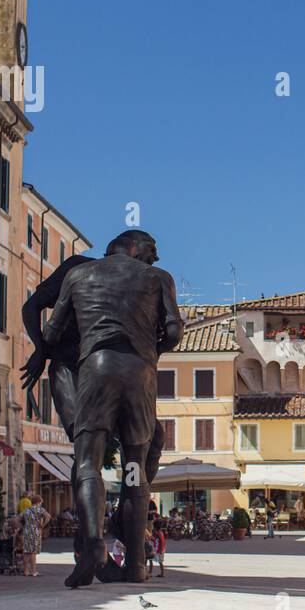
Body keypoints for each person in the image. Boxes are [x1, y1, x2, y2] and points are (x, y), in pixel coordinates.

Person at [42, 229, 183, 587]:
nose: (153, 260)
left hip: (97, 367)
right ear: (133, 248)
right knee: (135, 467)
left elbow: (53, 333)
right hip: (139, 372)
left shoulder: (78, 276)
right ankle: (135, 563)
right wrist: (150, 353)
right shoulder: (158, 279)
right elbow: (174, 331)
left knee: (87, 460)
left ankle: (92, 545)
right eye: (151, 253)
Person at [20, 494, 50, 576]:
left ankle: (25, 571)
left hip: (26, 531)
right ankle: (33, 571)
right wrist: (42, 525)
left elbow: (19, 519)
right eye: (41, 502)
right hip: (35, 531)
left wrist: (24, 526)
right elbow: (48, 516)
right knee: (33, 552)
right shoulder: (40, 510)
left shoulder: (26, 510)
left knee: (26, 551)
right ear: (38, 502)